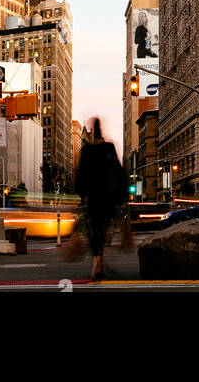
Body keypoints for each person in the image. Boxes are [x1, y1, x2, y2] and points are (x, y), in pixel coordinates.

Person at [73, 117, 127, 281]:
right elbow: (118, 170)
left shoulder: (87, 151)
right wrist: (123, 195)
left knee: (94, 230)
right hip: (108, 197)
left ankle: (97, 263)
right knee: (102, 231)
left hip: (93, 198)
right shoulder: (108, 148)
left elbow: (80, 174)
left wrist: (82, 197)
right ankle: (98, 264)